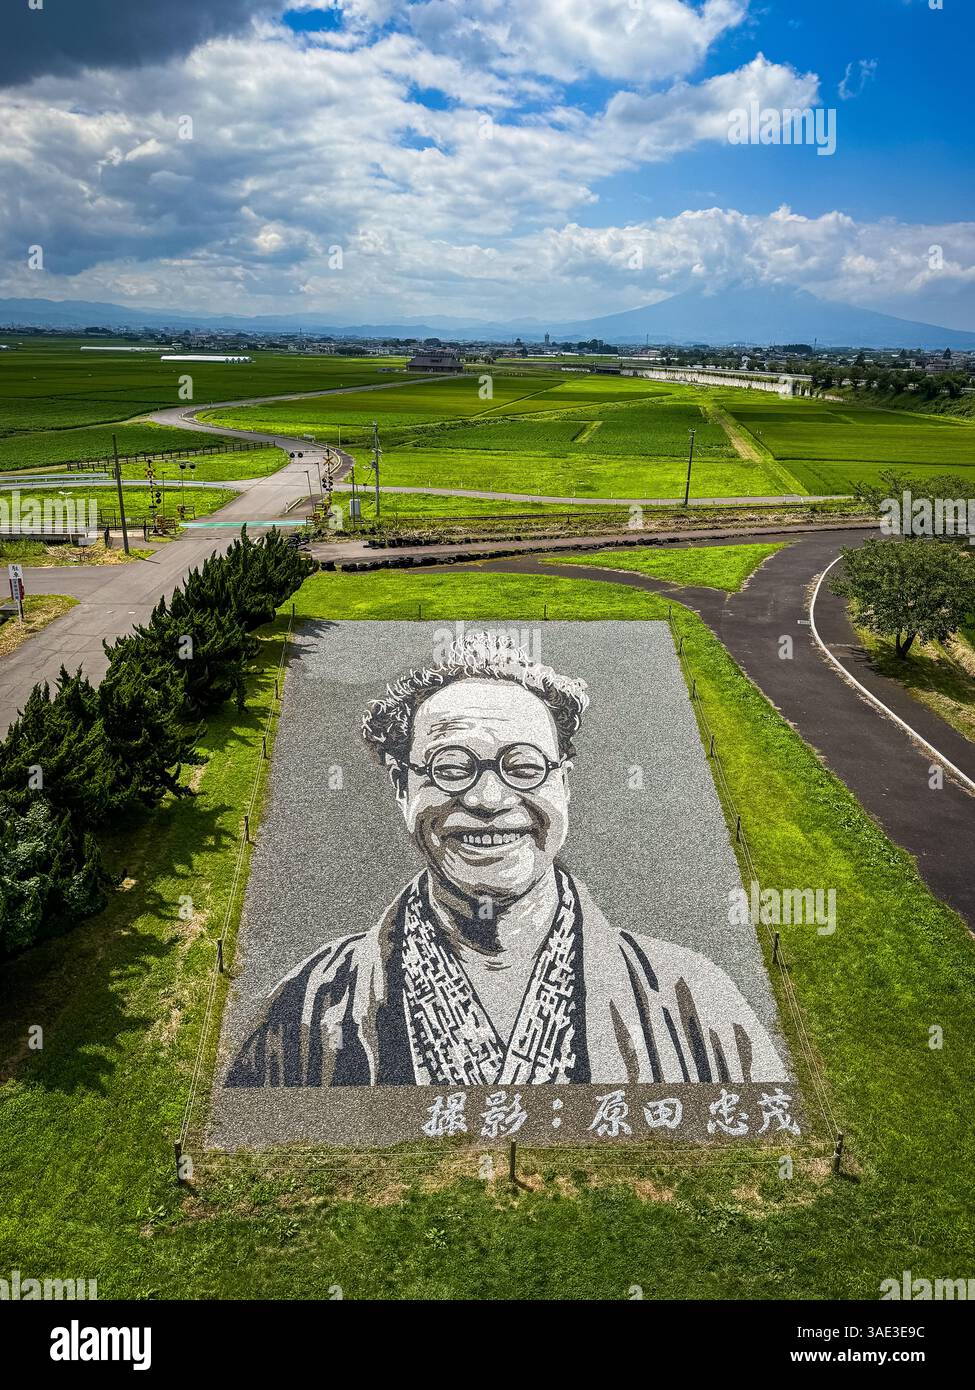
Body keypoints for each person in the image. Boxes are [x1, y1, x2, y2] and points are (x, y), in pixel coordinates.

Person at [226, 631, 786, 1087]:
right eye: (450, 767)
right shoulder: (307, 1009)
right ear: (402, 787)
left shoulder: (694, 1006)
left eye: (523, 769)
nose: (489, 801)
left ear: (564, 784)